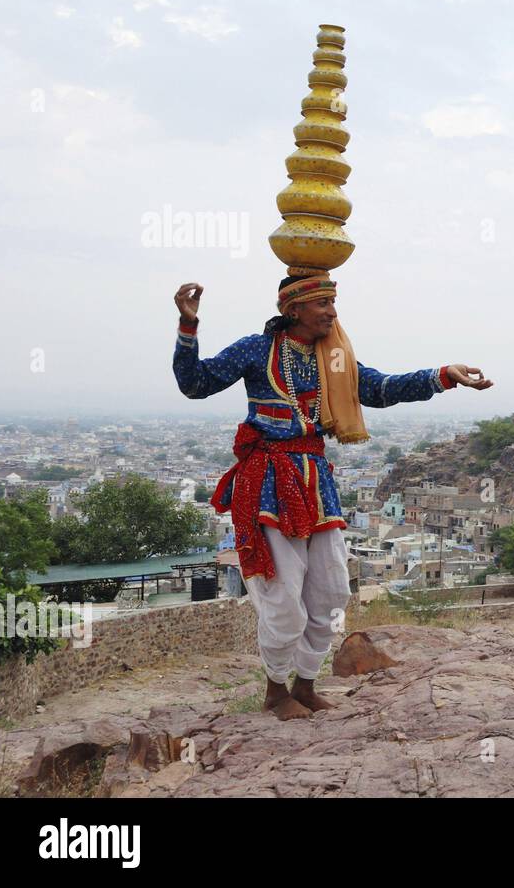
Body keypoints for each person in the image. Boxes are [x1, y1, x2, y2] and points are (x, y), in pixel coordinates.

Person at [173, 273, 492, 719]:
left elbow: (380, 388)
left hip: (315, 484)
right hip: (268, 484)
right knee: (282, 597)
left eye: (332, 302)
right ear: (294, 309)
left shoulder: (334, 358)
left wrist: (442, 376)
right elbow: (196, 384)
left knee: (330, 589)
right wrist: (188, 328)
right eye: (323, 303)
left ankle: (305, 685)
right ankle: (274, 691)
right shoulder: (256, 349)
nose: (332, 312)